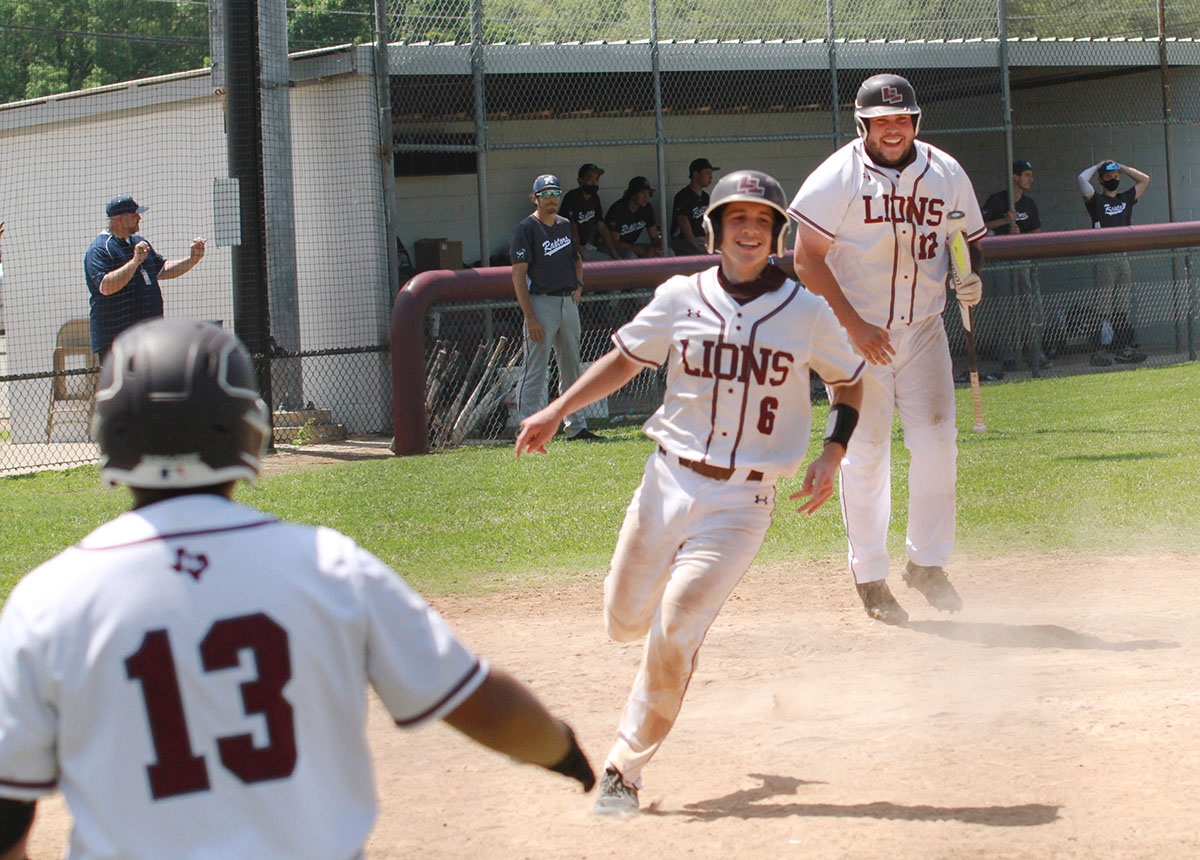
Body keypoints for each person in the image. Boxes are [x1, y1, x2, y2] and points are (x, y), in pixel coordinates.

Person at [0, 318, 595, 860]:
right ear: (247, 432)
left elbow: (7, 818)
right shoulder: (326, 564)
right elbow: (482, 703)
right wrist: (561, 750)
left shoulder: (48, 599)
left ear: (110, 433)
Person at [516, 170, 865, 815]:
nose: (751, 230)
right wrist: (558, 409)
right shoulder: (681, 295)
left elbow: (849, 383)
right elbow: (625, 359)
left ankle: (625, 767)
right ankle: (671, 645)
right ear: (716, 229)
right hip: (666, 480)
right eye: (738, 219)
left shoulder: (806, 311)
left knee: (676, 628)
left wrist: (832, 451)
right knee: (624, 623)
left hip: (744, 502)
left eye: (762, 220)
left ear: (776, 233)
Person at [789, 73, 986, 625]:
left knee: (938, 443)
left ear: (915, 122)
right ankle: (870, 574)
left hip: (923, 330)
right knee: (865, 452)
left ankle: (927, 563)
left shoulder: (945, 172)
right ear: (863, 125)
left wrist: (971, 280)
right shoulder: (839, 175)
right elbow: (806, 258)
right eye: (881, 121)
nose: (893, 129)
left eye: (902, 120)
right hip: (858, 333)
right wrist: (853, 327)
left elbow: (965, 244)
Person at [511, 174, 602, 441]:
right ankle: (528, 429)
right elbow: (518, 275)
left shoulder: (564, 225)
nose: (552, 198)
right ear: (535, 198)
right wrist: (530, 317)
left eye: (555, 193)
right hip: (540, 302)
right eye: (546, 193)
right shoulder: (526, 228)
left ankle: (576, 427)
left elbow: (577, 260)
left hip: (567, 302)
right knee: (536, 368)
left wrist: (579, 285)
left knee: (571, 367)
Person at [84, 195, 206, 361]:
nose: (139, 218)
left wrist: (192, 259)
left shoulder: (138, 242)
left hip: (149, 336)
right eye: (134, 215)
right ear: (120, 219)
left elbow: (162, 270)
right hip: (118, 339)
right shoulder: (100, 249)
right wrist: (134, 262)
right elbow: (106, 286)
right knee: (125, 387)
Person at [1077, 159, 1151, 366]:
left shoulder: (1125, 198)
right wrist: (1099, 165)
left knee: (1122, 307)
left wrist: (1121, 167)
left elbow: (1145, 179)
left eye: (1116, 176)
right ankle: (1097, 352)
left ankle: (1123, 349)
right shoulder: (1096, 201)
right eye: (1108, 177)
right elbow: (1082, 179)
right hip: (1105, 257)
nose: (1113, 179)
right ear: (1101, 180)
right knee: (1102, 306)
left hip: (1123, 257)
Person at [980, 159, 1048, 371]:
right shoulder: (997, 200)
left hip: (1024, 258)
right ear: (1015, 177)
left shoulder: (1029, 204)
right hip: (1002, 258)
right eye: (1026, 174)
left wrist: (1021, 235)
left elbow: (1037, 232)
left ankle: (1034, 352)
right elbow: (981, 226)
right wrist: (1004, 221)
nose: (1031, 179)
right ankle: (1008, 353)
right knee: (1005, 305)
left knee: (1031, 304)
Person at [560, 163, 621, 260]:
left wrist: (614, 253)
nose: (594, 183)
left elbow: (602, 226)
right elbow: (572, 229)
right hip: (566, 249)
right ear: (580, 181)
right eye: (590, 179)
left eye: (596, 179)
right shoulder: (572, 197)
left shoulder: (594, 198)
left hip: (584, 247)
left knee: (608, 262)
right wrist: (580, 257)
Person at [669, 158, 718, 256]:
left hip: (701, 239)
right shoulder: (683, 196)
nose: (711, 177)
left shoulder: (705, 197)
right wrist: (696, 245)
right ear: (696, 174)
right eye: (707, 173)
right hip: (683, 241)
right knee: (704, 256)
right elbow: (684, 223)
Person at [604, 176, 662, 259]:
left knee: (667, 251)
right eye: (642, 192)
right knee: (630, 256)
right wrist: (641, 250)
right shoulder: (618, 209)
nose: (646, 196)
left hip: (630, 246)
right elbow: (614, 242)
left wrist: (659, 247)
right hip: (609, 247)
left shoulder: (647, 208)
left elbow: (654, 237)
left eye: (648, 193)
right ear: (632, 194)